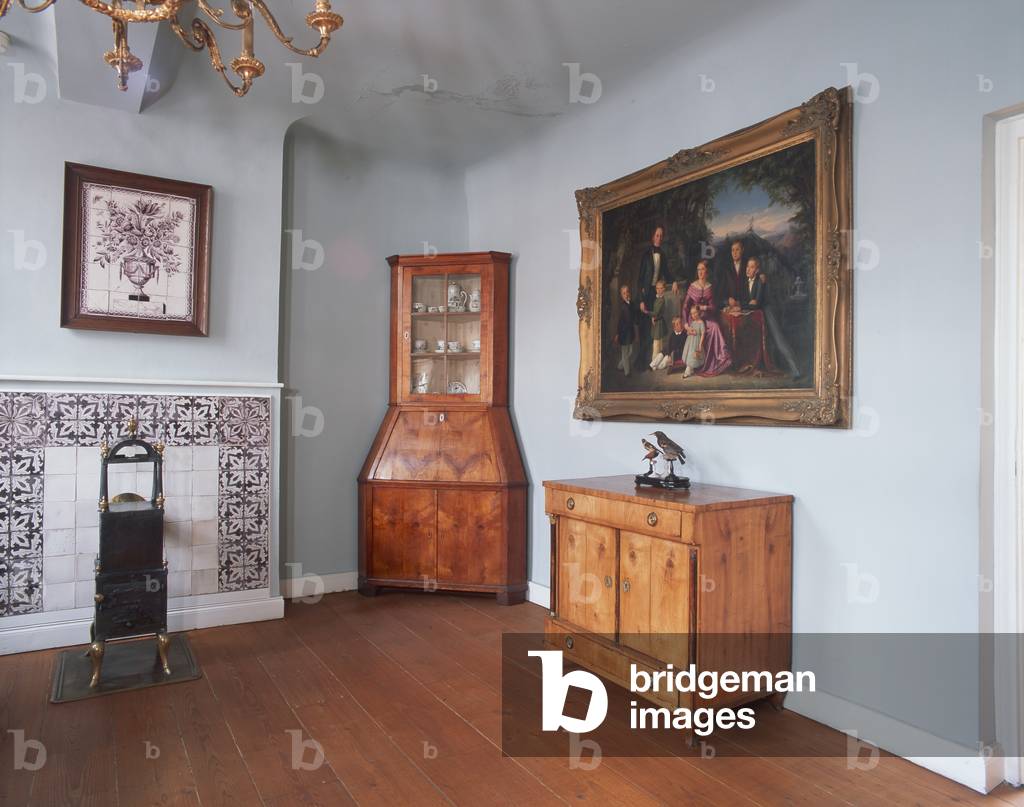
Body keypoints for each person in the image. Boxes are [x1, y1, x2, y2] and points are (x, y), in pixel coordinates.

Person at [737, 257, 801, 378]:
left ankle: (795, 369)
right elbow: (748, 301)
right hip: (758, 314)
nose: (748, 269)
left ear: (757, 270)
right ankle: (766, 366)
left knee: (778, 339)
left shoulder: (761, 280)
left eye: (751, 267)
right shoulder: (746, 282)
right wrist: (744, 304)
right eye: (747, 266)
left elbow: (756, 304)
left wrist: (741, 306)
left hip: (768, 312)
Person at [682, 260, 731, 376]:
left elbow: (713, 307)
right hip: (693, 318)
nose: (700, 272)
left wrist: (704, 307)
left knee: (715, 327)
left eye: (702, 269)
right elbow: (685, 306)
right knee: (696, 330)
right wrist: (685, 324)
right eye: (698, 269)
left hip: (707, 317)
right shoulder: (692, 286)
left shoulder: (710, 286)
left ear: (707, 272)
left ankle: (718, 360)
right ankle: (691, 365)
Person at [637, 225, 675, 370]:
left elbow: (666, 272)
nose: (659, 238)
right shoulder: (646, 254)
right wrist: (641, 299)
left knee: (655, 327)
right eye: (657, 235)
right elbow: (640, 279)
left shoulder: (663, 254)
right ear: (653, 237)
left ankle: (653, 362)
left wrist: (675, 281)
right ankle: (641, 361)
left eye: (661, 235)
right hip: (646, 294)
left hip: (656, 293)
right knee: (645, 328)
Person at [612, 284, 639, 376]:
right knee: (625, 353)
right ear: (621, 295)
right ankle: (627, 372)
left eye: (627, 292)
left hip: (630, 332)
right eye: (624, 293)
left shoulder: (631, 304)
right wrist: (617, 334)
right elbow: (620, 322)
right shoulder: (623, 307)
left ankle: (620, 366)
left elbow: (634, 316)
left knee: (630, 351)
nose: (626, 294)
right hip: (624, 333)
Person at [716, 239, 746, 310]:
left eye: (737, 250)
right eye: (733, 250)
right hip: (731, 305)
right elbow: (721, 291)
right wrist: (728, 299)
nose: (734, 253)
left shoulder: (747, 265)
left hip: (744, 304)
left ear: (742, 250)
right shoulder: (726, 268)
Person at [679, 306, 706, 377]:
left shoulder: (701, 323)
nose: (693, 315)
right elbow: (688, 333)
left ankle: (687, 372)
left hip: (696, 342)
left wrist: (700, 344)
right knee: (689, 355)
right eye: (692, 314)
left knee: (693, 356)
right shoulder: (693, 322)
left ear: (699, 312)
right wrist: (689, 331)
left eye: (695, 313)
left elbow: (703, 334)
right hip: (690, 342)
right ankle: (690, 369)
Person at [648, 280, 669, 369]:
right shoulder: (657, 298)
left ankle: (654, 364)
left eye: (661, 288)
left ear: (664, 289)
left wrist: (646, 312)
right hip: (657, 322)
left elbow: (656, 312)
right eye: (657, 288)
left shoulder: (661, 300)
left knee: (656, 344)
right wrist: (654, 317)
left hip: (659, 323)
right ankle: (657, 363)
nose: (659, 290)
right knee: (658, 344)